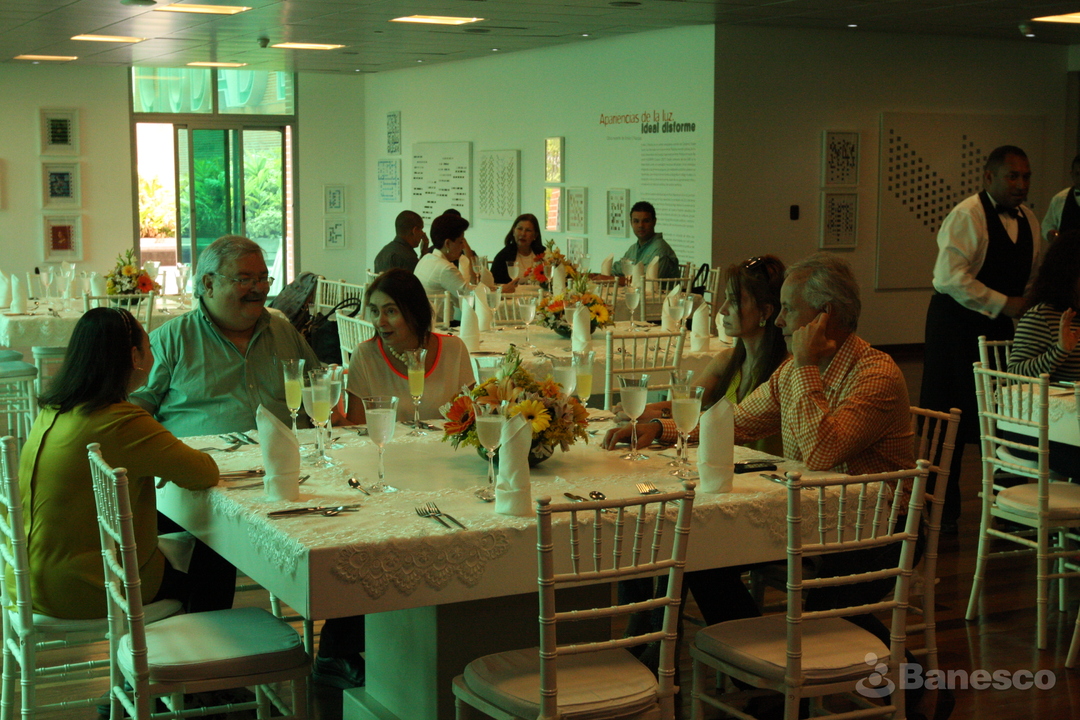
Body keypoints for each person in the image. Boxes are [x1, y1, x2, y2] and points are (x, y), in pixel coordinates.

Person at [131, 235, 363, 689]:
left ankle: (338, 647)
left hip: (288, 473)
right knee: (215, 542)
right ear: (208, 284)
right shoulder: (173, 339)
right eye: (245, 279)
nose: (257, 288)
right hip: (201, 484)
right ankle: (205, 671)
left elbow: (319, 382)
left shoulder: (282, 329)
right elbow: (136, 409)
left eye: (263, 278)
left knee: (352, 528)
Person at [15, 307, 220, 619]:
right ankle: (201, 657)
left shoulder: (54, 409)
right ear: (134, 357)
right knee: (215, 552)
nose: (153, 357)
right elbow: (205, 473)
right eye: (150, 348)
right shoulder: (122, 421)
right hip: (84, 587)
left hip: (28, 578)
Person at [919, 145, 1040, 534]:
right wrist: (1005, 303)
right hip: (954, 327)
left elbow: (1032, 273)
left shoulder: (1031, 220)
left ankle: (1010, 505)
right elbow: (949, 278)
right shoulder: (968, 215)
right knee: (948, 416)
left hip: (1000, 331)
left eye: (1026, 176)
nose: (1020, 184)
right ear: (989, 177)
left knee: (1004, 416)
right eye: (1012, 176)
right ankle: (938, 511)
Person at [612, 255, 788, 455]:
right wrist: (645, 411)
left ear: (765, 312)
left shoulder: (783, 371)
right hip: (723, 467)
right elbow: (687, 403)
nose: (722, 310)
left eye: (734, 301)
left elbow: (731, 425)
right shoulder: (727, 360)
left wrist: (656, 423)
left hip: (766, 476)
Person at [345, 269, 474, 423]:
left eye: (390, 311)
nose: (380, 321)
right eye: (375, 311)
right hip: (384, 445)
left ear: (415, 312)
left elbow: (471, 419)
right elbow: (355, 429)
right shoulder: (365, 355)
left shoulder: (454, 349)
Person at [1006, 229, 1080, 477]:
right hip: (1038, 427)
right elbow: (1015, 376)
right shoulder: (1042, 315)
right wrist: (1059, 350)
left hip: (1074, 427)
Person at [414, 211, 477, 314]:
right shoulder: (445, 268)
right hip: (438, 326)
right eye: (460, 242)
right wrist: (497, 292)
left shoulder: (426, 259)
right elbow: (471, 297)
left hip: (421, 321)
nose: (463, 247)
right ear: (447, 243)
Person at [609, 201, 680, 283]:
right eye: (636, 221)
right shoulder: (633, 248)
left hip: (660, 295)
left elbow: (647, 282)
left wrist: (623, 277)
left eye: (646, 221)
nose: (640, 225)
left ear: (654, 222)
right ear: (631, 223)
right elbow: (616, 269)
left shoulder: (660, 250)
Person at [490, 213, 542, 289]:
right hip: (511, 298)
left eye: (528, 230)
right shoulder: (503, 256)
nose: (523, 234)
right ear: (513, 231)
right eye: (520, 229)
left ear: (535, 235)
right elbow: (494, 286)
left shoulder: (543, 254)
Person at [1040, 154, 1080, 243]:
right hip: (1066, 253)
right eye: (1078, 174)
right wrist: (1050, 234)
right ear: (1072, 174)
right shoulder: (1060, 198)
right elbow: (1047, 225)